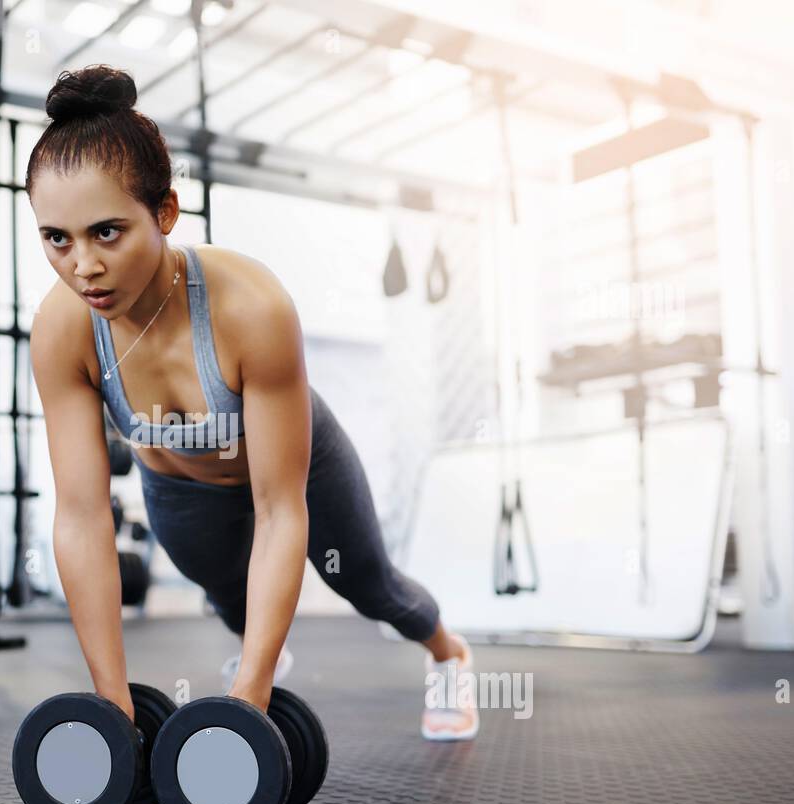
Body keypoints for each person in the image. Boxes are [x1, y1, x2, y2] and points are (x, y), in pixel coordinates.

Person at [26, 65, 477, 742]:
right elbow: (84, 516)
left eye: (107, 232)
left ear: (166, 213)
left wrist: (248, 700)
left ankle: (450, 653)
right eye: (57, 237)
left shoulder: (251, 308)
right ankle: (258, 644)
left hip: (301, 465)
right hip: (179, 487)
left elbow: (279, 509)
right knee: (230, 600)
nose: (81, 265)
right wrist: (111, 703)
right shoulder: (62, 331)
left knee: (368, 583)